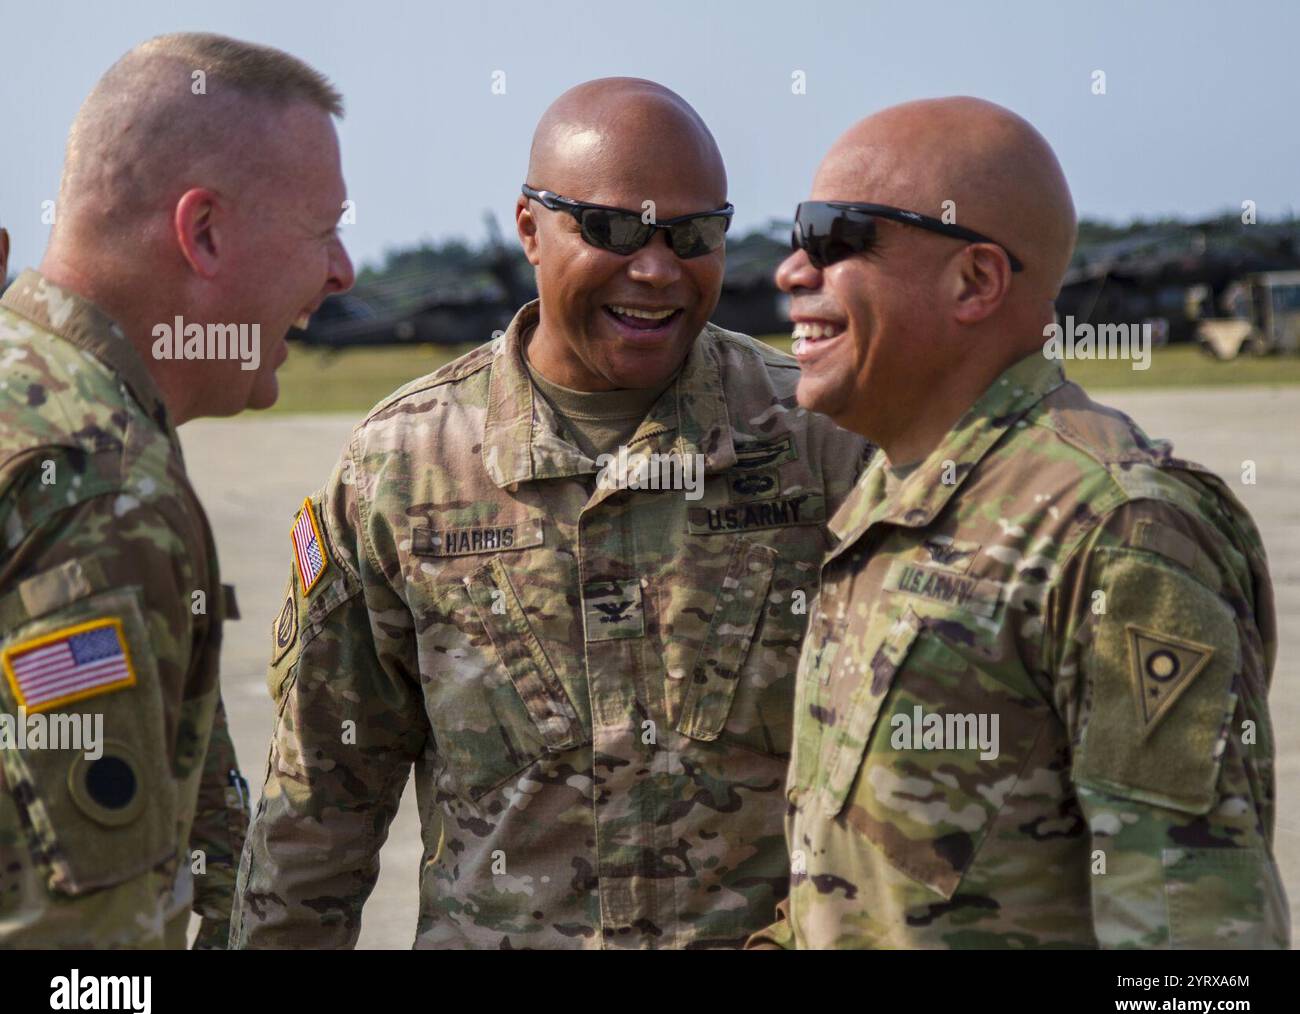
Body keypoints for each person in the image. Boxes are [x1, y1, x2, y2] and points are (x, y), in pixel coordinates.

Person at [232, 78, 871, 949]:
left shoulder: (822, 445)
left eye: (693, 236)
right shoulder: (404, 466)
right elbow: (320, 806)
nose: (656, 269)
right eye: (610, 229)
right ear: (530, 228)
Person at [748, 96, 1288, 949]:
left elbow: (1194, 947)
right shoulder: (890, 496)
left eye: (833, 238)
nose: (790, 272)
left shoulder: (1118, 532)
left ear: (975, 281)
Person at [0, 32, 355, 948]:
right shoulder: (96, 483)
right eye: (323, 231)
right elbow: (78, 958)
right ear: (203, 233)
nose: (341, 271)